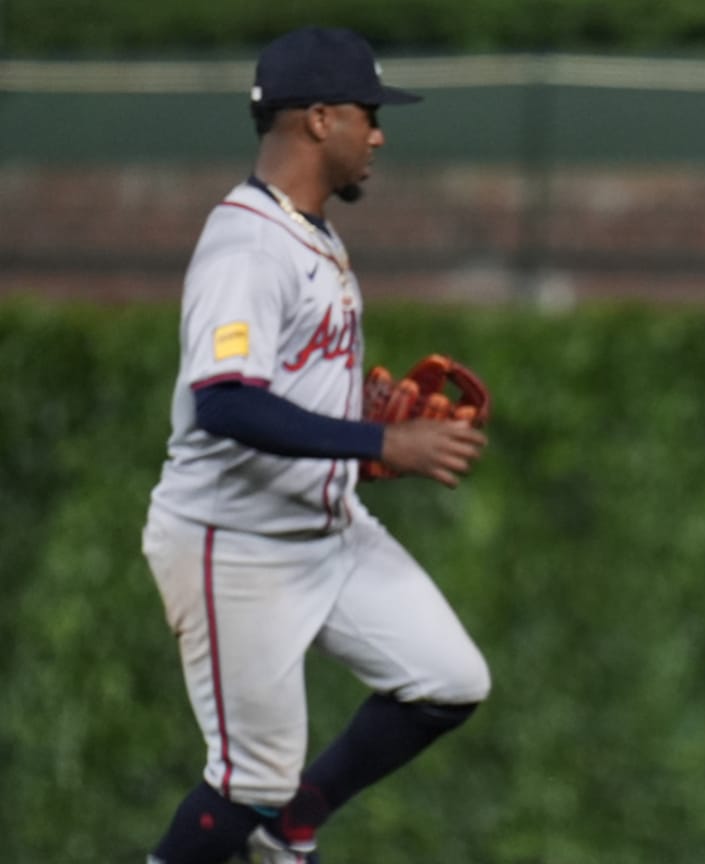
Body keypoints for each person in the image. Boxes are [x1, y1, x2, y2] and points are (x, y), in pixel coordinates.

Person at [141, 26, 491, 864]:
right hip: (236, 543)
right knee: (249, 776)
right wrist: (380, 438)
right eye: (367, 114)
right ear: (319, 119)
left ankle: (289, 826)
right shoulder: (249, 244)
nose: (378, 133)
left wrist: (356, 431)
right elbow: (223, 404)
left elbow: (281, 389)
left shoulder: (314, 235)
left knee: (449, 681)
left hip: (326, 531)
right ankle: (259, 817)